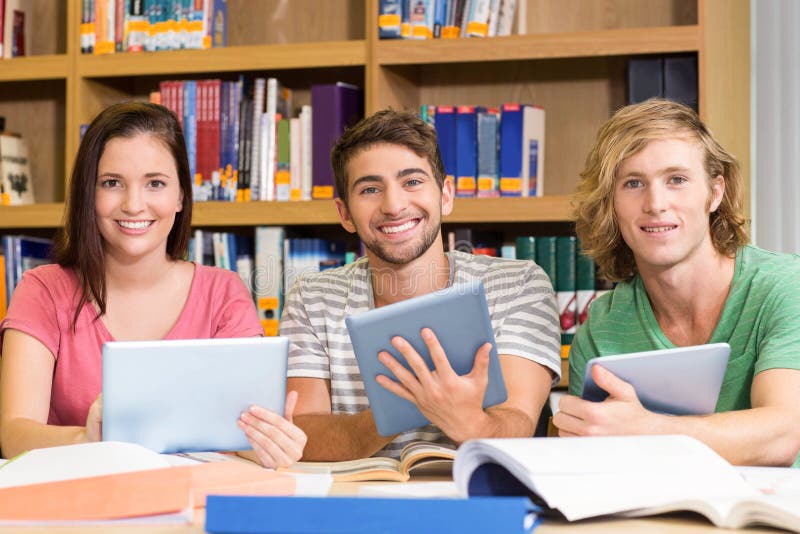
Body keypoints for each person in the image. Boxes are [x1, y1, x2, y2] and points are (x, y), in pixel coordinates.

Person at [0, 102, 306, 467]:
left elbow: (238, 435)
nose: (133, 204)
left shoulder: (223, 293)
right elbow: (13, 434)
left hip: (192, 506)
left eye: (155, 184)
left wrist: (268, 440)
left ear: (180, 196)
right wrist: (87, 437)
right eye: (112, 183)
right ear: (88, 193)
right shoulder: (42, 289)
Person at [282, 109, 561, 461]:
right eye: (370, 189)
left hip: (471, 500)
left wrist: (463, 417)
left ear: (446, 195)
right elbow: (303, 434)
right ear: (345, 214)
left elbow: (517, 424)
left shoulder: (520, 284)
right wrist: (403, 407)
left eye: (412, 181)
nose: (394, 205)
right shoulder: (312, 297)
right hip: (355, 500)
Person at [554, 98, 800, 467]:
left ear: (714, 192)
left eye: (677, 180)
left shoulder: (784, 287)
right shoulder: (601, 328)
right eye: (634, 183)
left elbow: (782, 435)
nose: (656, 203)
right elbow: (597, 462)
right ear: (612, 203)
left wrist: (649, 429)